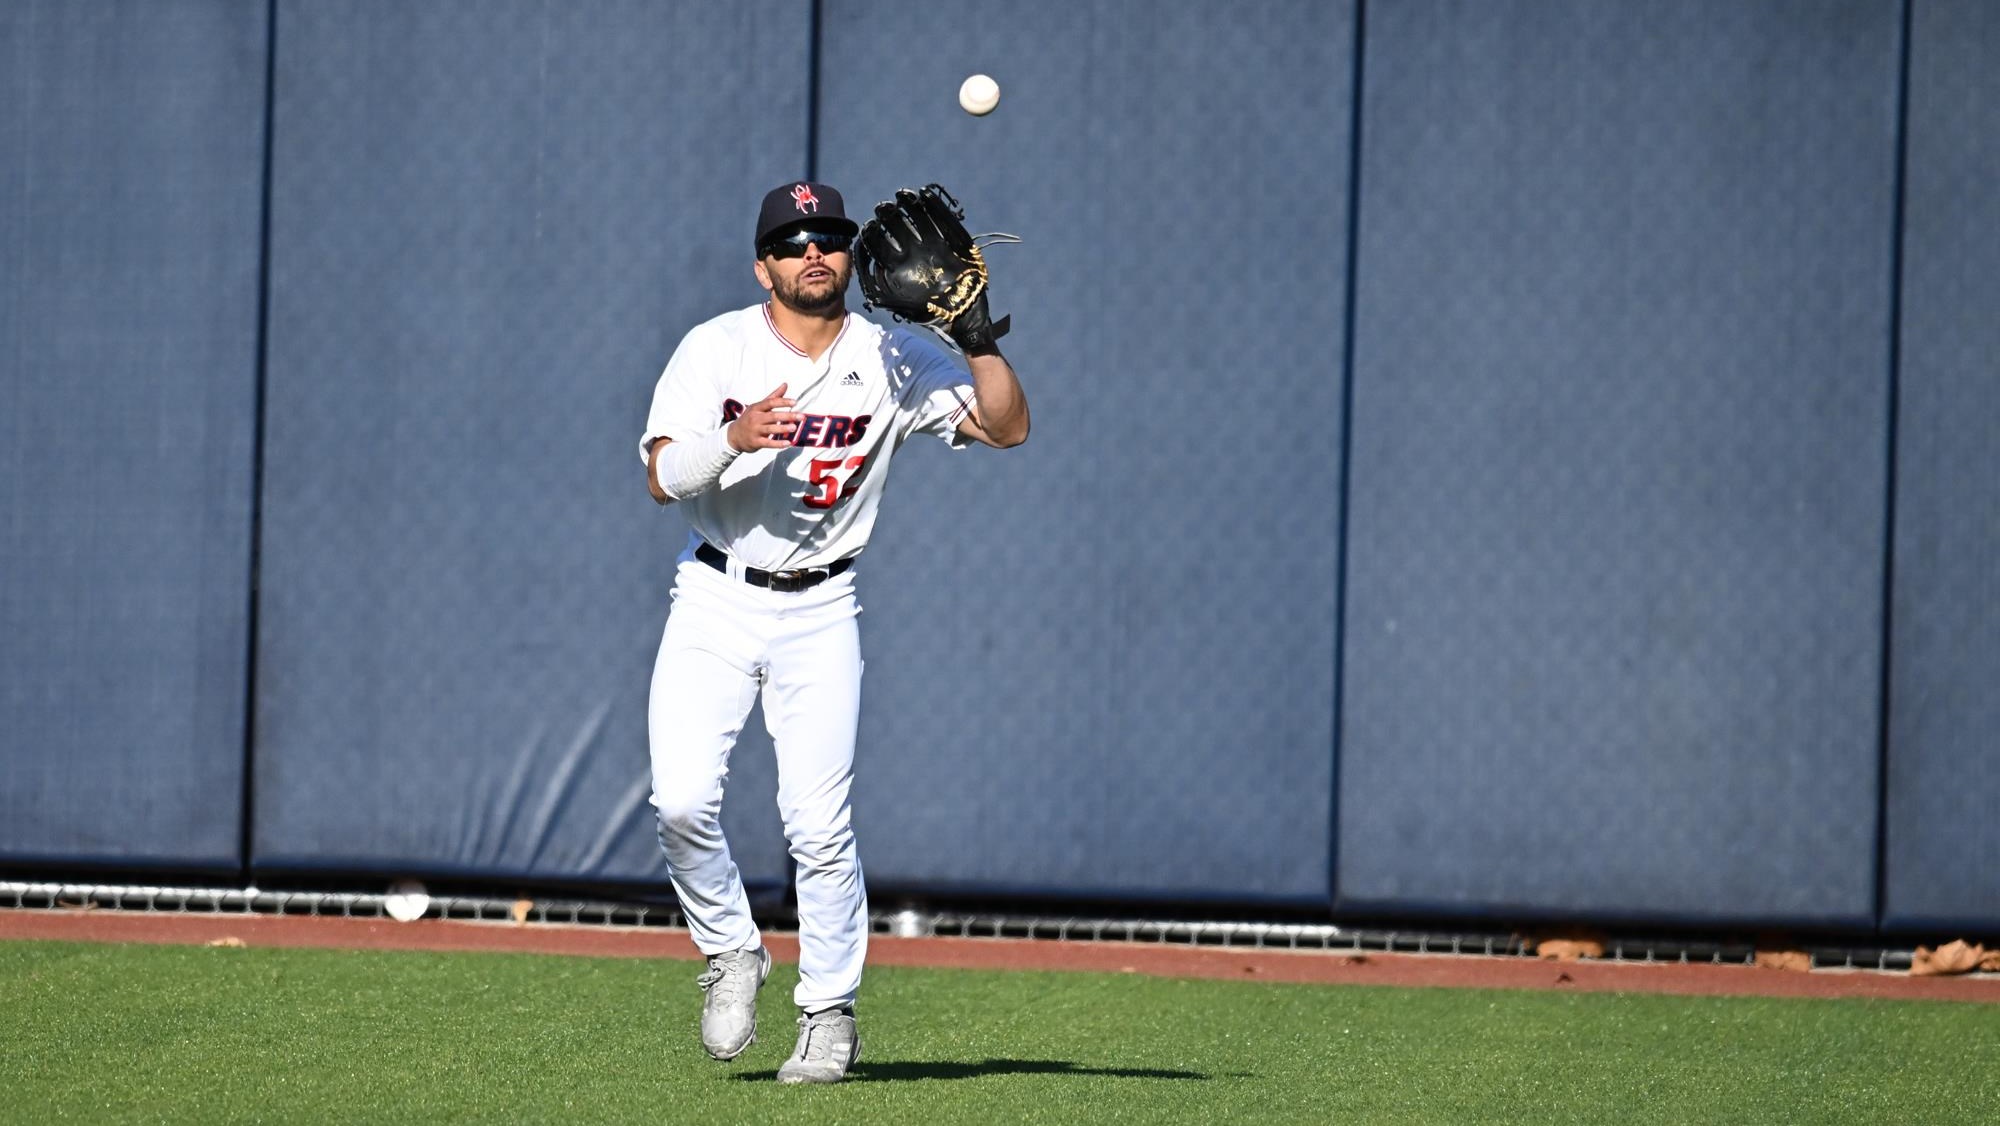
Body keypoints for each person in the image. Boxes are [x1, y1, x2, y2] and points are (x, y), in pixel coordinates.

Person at [637, 181, 1028, 1084]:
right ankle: (732, 949)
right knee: (682, 802)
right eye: (793, 240)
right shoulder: (717, 347)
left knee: (818, 825)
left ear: (851, 258)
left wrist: (975, 339)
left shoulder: (893, 354)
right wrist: (733, 438)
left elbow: (1007, 429)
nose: (814, 252)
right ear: (763, 265)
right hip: (717, 596)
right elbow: (663, 476)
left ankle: (828, 1013)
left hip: (821, 610)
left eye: (830, 238)